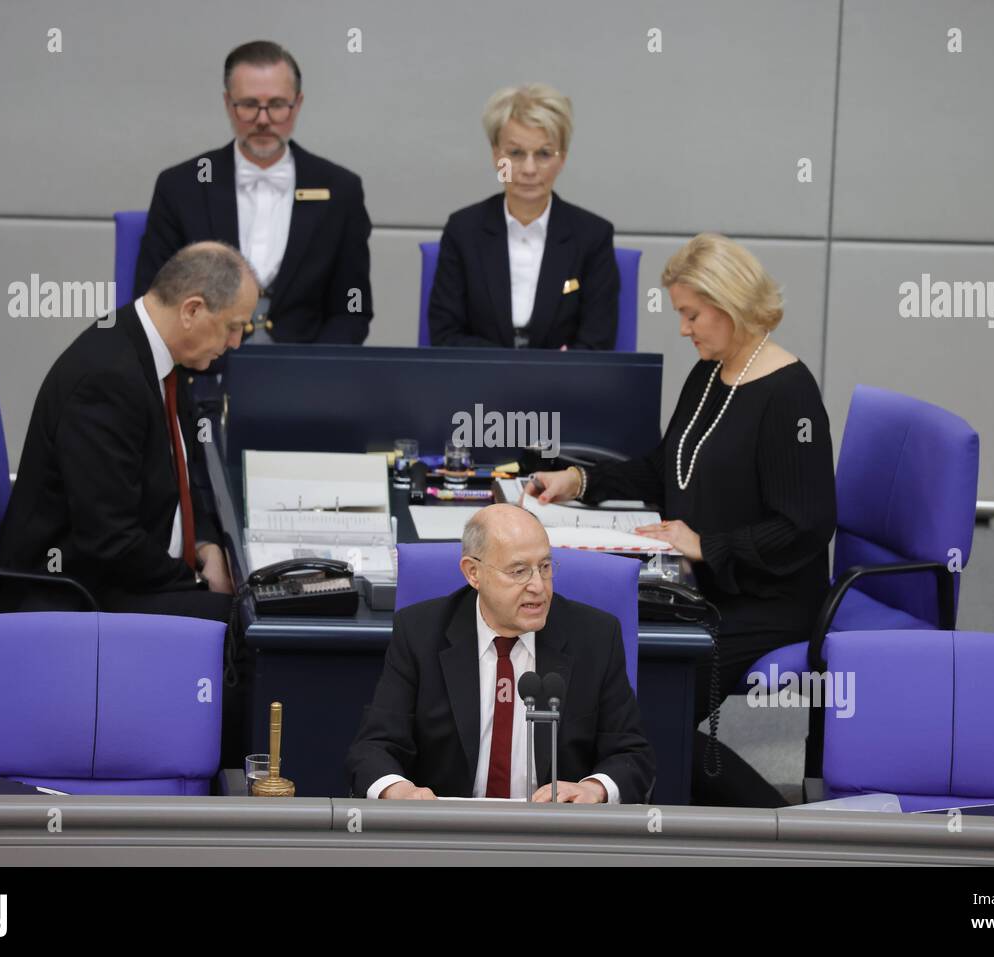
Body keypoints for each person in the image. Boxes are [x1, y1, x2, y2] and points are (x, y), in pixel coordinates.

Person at [525, 234, 837, 808]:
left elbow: (808, 524)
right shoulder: (712, 371)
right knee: (614, 689)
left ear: (731, 303)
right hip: (703, 581)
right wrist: (581, 480)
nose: (684, 328)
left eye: (692, 314)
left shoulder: (789, 395)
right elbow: (668, 469)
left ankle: (779, 825)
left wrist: (706, 544)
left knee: (649, 709)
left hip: (766, 598)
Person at [0, 241, 259, 624]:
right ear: (192, 310)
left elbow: (188, 472)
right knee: (249, 631)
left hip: (128, 570)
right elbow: (108, 542)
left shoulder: (160, 356)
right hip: (74, 593)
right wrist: (194, 581)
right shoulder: (106, 380)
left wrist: (207, 544)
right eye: (233, 327)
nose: (235, 343)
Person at [347, 504, 654, 802]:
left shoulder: (595, 637)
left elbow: (632, 756)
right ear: (473, 573)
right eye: (519, 571)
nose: (538, 586)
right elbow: (374, 748)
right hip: (449, 835)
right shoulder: (420, 633)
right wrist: (399, 791)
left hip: (555, 836)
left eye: (545, 567)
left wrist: (594, 789)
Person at [135, 41, 372, 344]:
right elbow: (154, 301)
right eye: (248, 105)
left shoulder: (341, 190)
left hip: (305, 375)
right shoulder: (181, 186)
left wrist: (317, 374)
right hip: (202, 374)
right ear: (227, 103)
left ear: (297, 104)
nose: (262, 120)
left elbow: (352, 309)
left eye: (276, 105)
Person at [427, 84, 618, 350]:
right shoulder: (464, 230)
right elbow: (445, 334)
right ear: (496, 156)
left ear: (562, 158)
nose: (529, 169)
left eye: (543, 154)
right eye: (515, 153)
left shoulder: (592, 236)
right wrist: (513, 370)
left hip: (563, 388)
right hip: (479, 385)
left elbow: (598, 341)